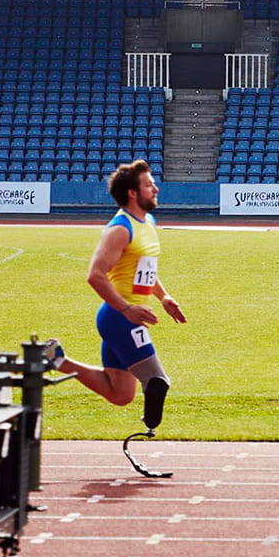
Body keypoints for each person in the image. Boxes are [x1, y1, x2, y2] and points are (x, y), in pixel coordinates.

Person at [48, 160, 186, 476]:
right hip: (120, 318)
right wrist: (127, 309)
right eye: (149, 184)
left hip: (124, 316)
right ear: (132, 193)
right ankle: (150, 433)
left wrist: (162, 296)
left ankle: (58, 360)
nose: (156, 188)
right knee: (157, 383)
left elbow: (143, 269)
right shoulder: (119, 229)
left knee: (121, 395)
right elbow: (95, 276)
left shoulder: (148, 220)